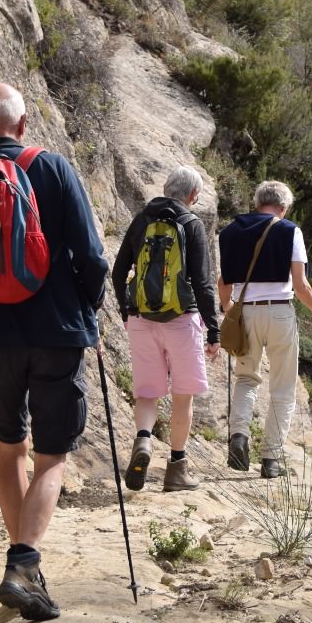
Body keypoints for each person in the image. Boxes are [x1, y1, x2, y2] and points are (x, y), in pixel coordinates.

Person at [0, 82, 108, 623]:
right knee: (53, 456)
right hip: (56, 333)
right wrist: (88, 308)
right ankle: (24, 565)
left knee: (13, 449)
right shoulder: (52, 169)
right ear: (24, 125)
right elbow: (93, 255)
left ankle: (21, 567)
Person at [111, 165, 220, 492]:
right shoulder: (191, 224)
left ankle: (143, 441)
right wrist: (213, 331)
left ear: (165, 187)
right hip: (182, 320)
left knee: (147, 392)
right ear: (193, 195)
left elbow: (118, 273)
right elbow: (202, 283)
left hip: (142, 320)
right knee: (182, 397)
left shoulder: (142, 219)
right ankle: (176, 469)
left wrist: (127, 312)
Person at [217, 180, 312, 478]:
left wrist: (229, 310)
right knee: (283, 388)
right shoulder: (290, 231)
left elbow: (224, 282)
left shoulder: (231, 232)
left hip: (245, 313)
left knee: (246, 379)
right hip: (279, 313)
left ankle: (238, 437)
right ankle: (271, 460)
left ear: (257, 201)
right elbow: (300, 285)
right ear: (284, 207)